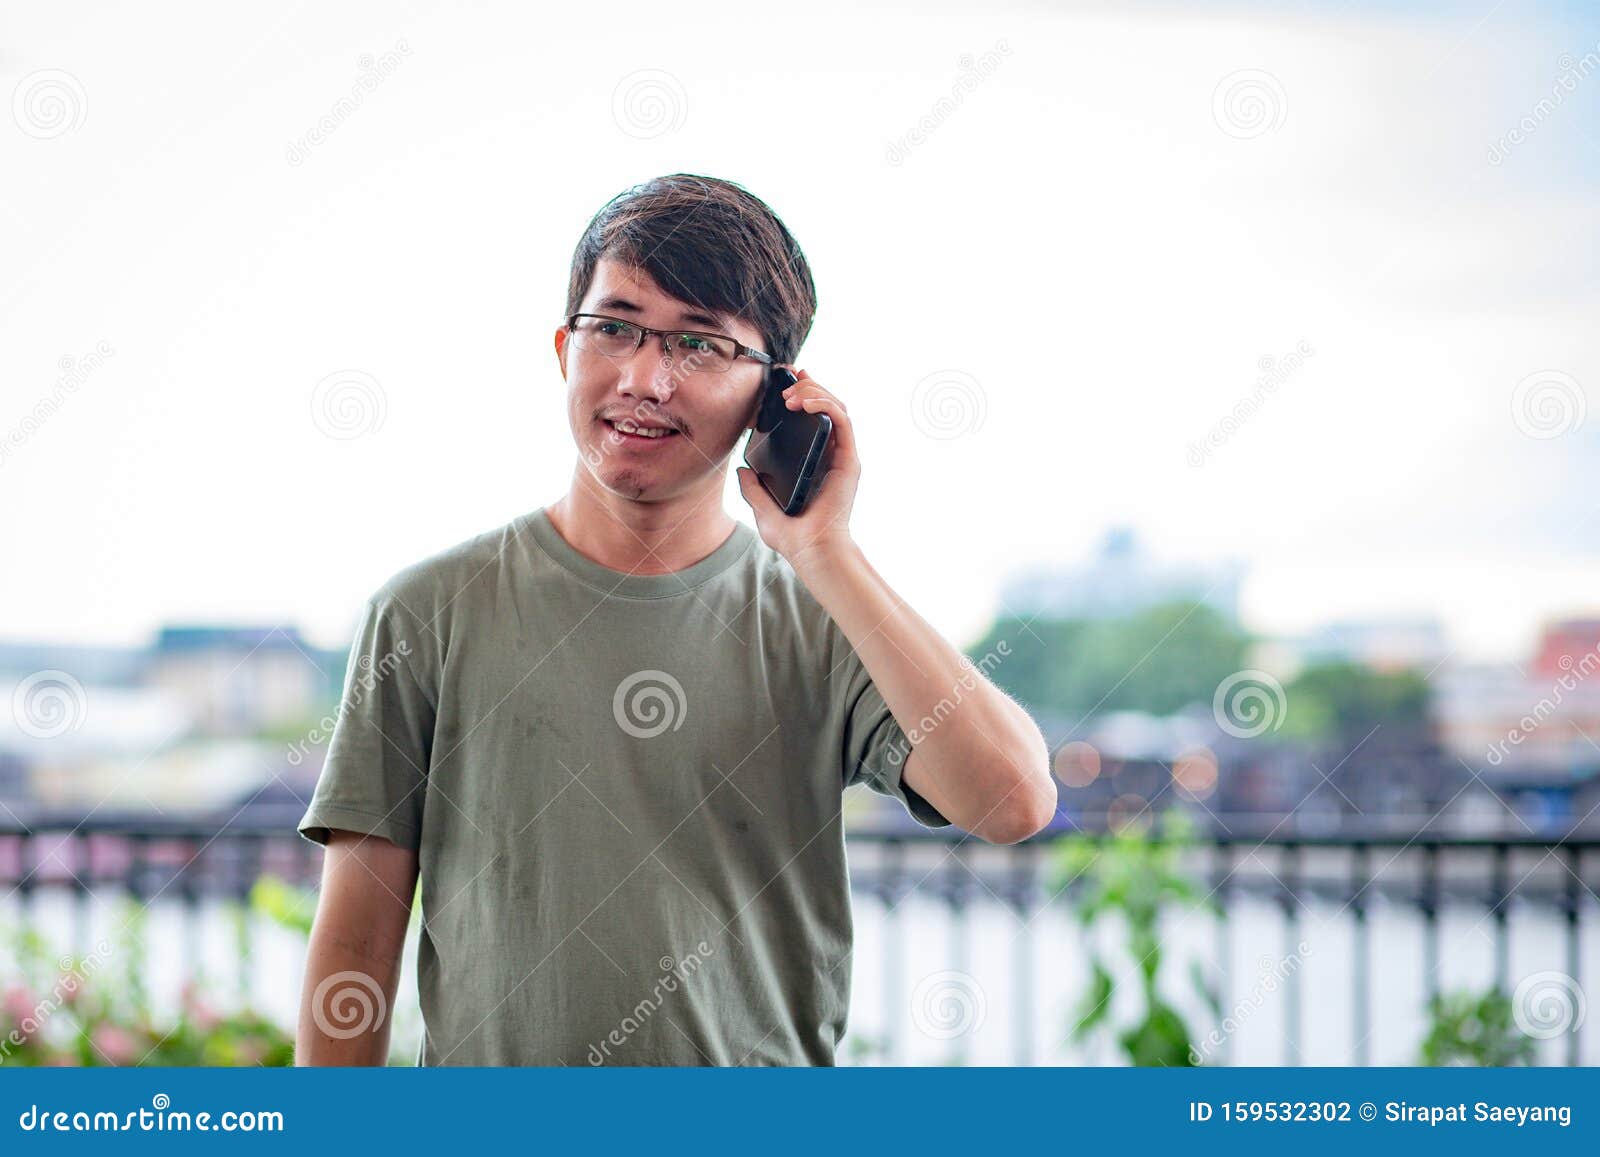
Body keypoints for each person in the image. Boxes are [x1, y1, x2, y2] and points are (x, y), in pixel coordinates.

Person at [294, 173, 1056, 1066]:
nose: (644, 379)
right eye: (613, 327)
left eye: (701, 344)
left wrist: (827, 550)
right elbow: (353, 946)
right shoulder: (427, 610)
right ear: (562, 348)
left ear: (777, 394)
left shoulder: (822, 616)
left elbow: (1012, 800)